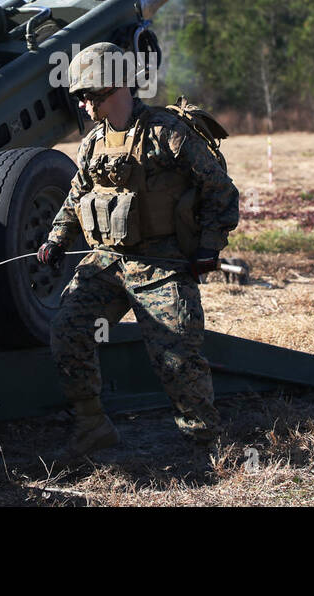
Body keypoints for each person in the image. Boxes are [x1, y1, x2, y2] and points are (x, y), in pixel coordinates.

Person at [37, 42, 239, 457]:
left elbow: (220, 190)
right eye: (81, 97)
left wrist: (208, 248)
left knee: (177, 355)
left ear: (116, 86)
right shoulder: (92, 144)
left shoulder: (168, 133)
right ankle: (92, 427)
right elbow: (76, 198)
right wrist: (56, 239)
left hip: (161, 262)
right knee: (68, 331)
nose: (86, 105)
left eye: (91, 95)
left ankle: (205, 442)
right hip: (108, 261)